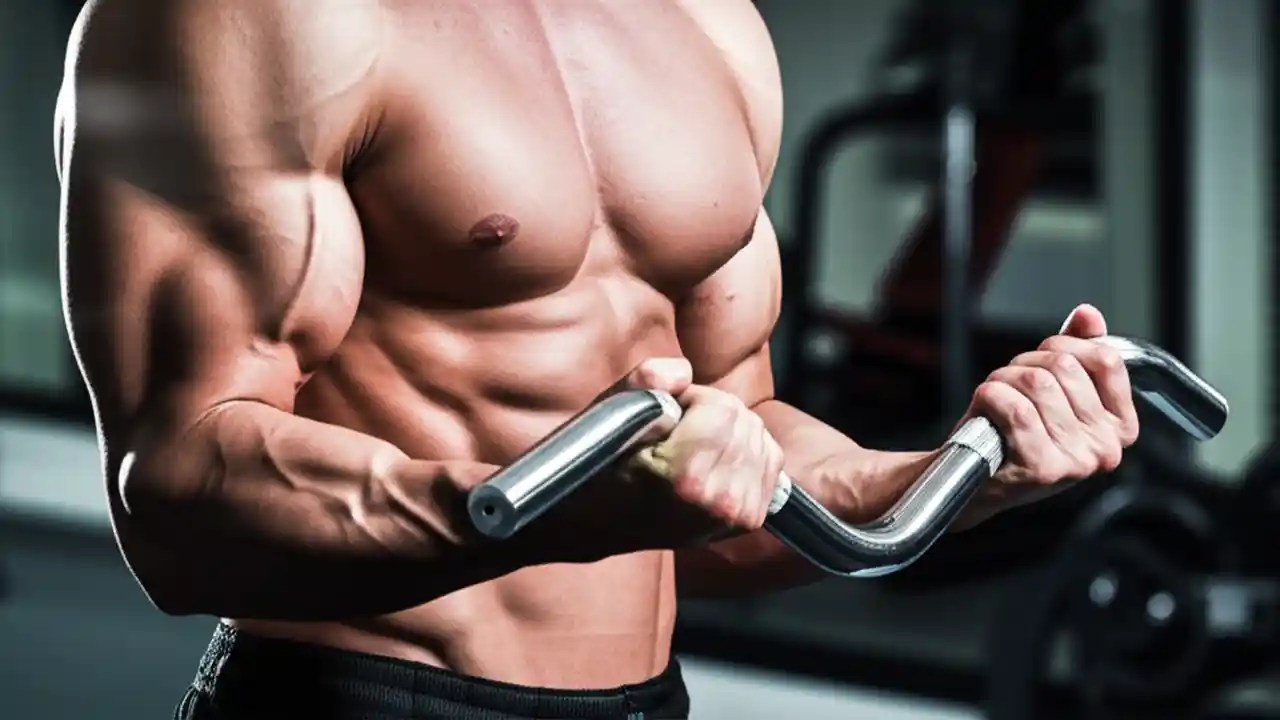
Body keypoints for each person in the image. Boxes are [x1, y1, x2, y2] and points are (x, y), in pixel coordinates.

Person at [55, 0, 1140, 717]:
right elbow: (177, 505)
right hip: (373, 698)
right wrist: (549, 511)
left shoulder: (703, 22)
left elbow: (727, 479)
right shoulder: (249, 17)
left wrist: (948, 481)